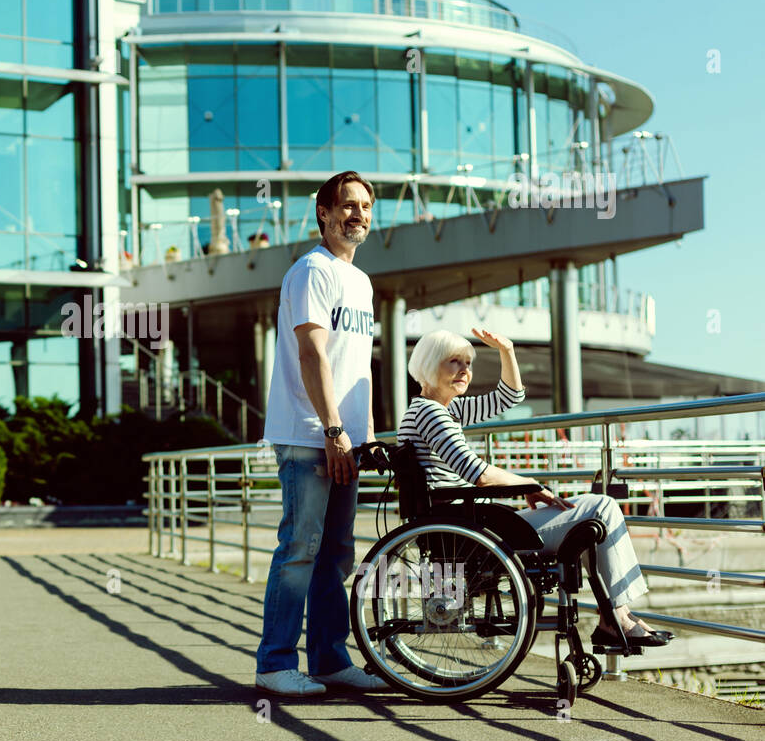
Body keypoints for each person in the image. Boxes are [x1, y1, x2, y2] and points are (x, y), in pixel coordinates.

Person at [398, 328, 673, 649]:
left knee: (590, 513)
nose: (464, 371)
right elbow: (479, 474)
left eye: (468, 363)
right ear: (430, 364)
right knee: (600, 509)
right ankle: (616, 617)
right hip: (468, 526)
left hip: (465, 520)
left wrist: (507, 350)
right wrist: (530, 485)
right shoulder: (432, 414)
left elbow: (509, 397)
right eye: (453, 362)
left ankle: (614, 616)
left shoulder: (442, 410)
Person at [256, 170, 389, 697]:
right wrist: (334, 429)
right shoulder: (312, 271)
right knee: (300, 547)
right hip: (310, 433)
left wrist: (367, 431)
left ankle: (331, 659)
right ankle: (275, 663)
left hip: (345, 436)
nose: (357, 215)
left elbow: (359, 364)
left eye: (365, 206)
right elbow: (312, 354)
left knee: (336, 552)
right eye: (347, 206)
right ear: (324, 214)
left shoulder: (361, 281)